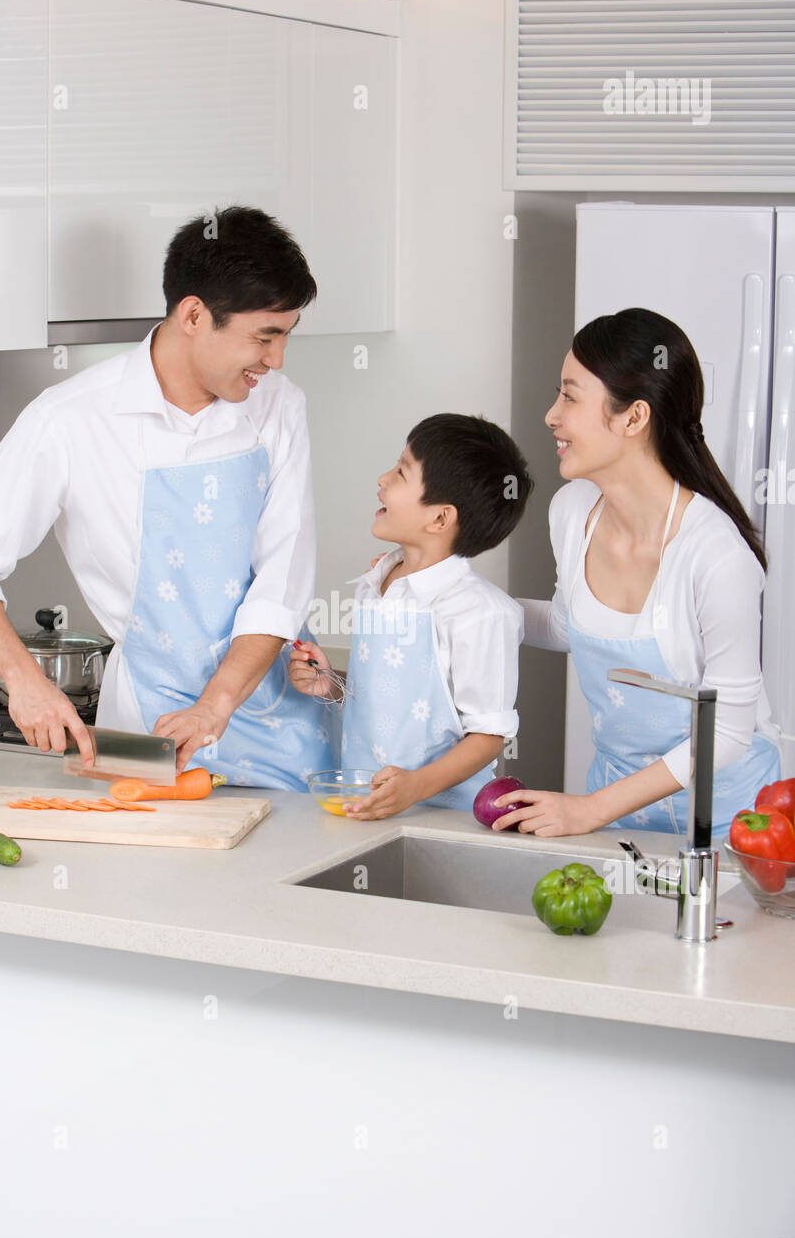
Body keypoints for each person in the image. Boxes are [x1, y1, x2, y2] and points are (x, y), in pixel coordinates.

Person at [0, 206, 335, 787]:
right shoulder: (70, 419)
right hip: (149, 735)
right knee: (150, 868)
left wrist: (215, 705)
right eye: (264, 337)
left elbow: (282, 582)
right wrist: (24, 679)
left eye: (286, 336)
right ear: (194, 314)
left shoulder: (279, 405)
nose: (275, 359)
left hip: (280, 718)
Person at [497, 307, 781, 839]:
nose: (550, 416)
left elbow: (731, 731)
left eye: (570, 397)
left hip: (727, 824)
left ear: (633, 418)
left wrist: (590, 810)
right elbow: (566, 625)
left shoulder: (717, 556)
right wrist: (468, 603)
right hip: (619, 815)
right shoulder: (572, 510)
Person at [288, 413, 533, 818]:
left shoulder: (481, 612)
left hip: (442, 818)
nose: (382, 479)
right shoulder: (375, 583)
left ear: (439, 518)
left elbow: (488, 736)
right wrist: (331, 684)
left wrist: (414, 788)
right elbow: (386, 697)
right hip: (364, 805)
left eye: (401, 472)